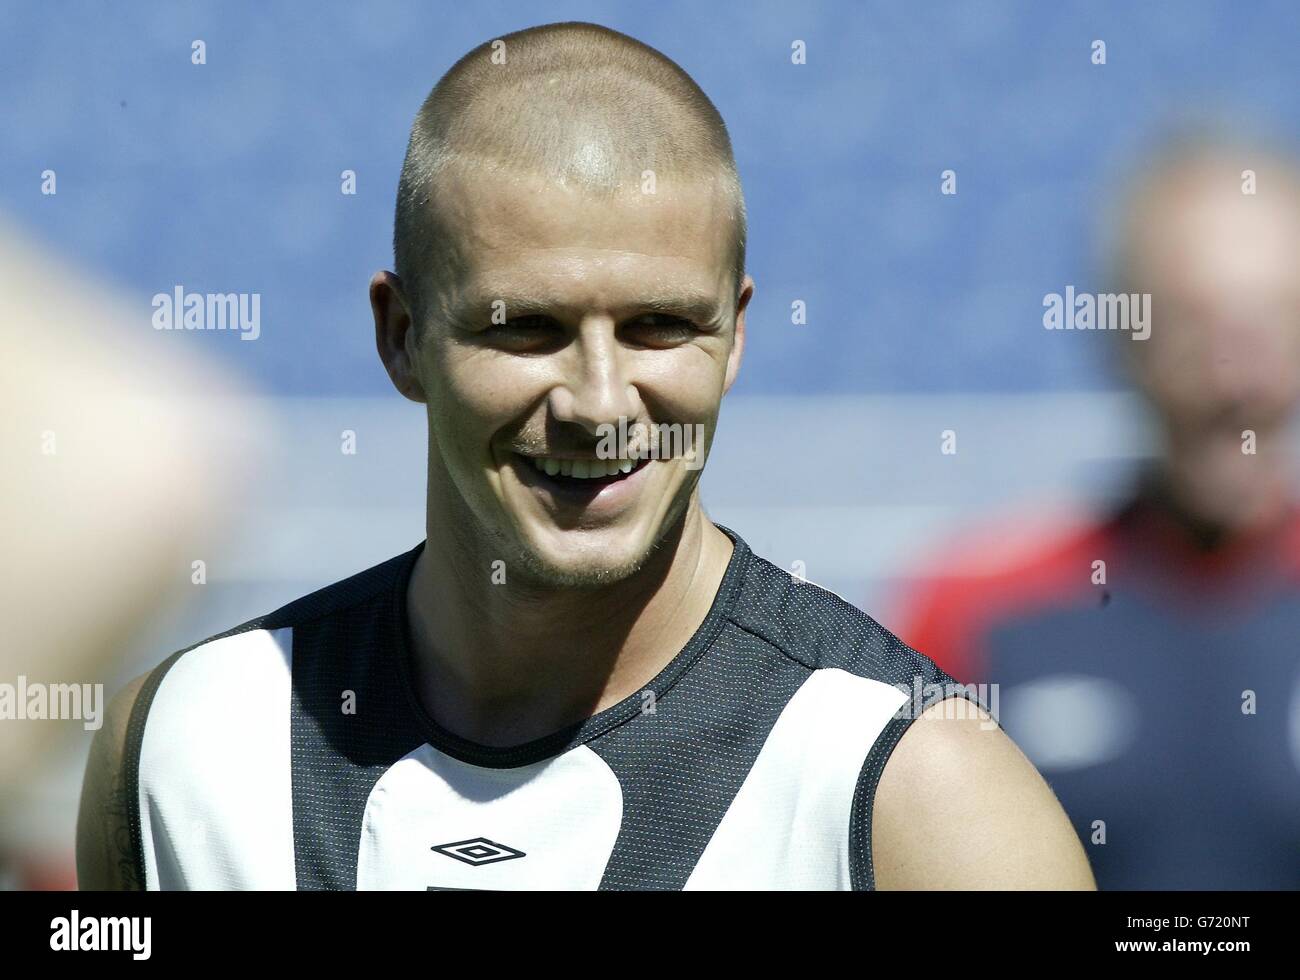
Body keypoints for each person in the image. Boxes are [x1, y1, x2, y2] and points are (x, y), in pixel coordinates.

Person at [77, 21, 1093, 891]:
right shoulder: (185, 748)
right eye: (525, 328)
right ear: (401, 335)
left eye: (659, 325)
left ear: (733, 336)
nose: (599, 403)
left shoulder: (923, 798)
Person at [892, 133, 1300, 889]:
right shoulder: (977, 616)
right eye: (1198, 327)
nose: (1237, 379)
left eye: (1273, 321)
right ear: (1124, 340)